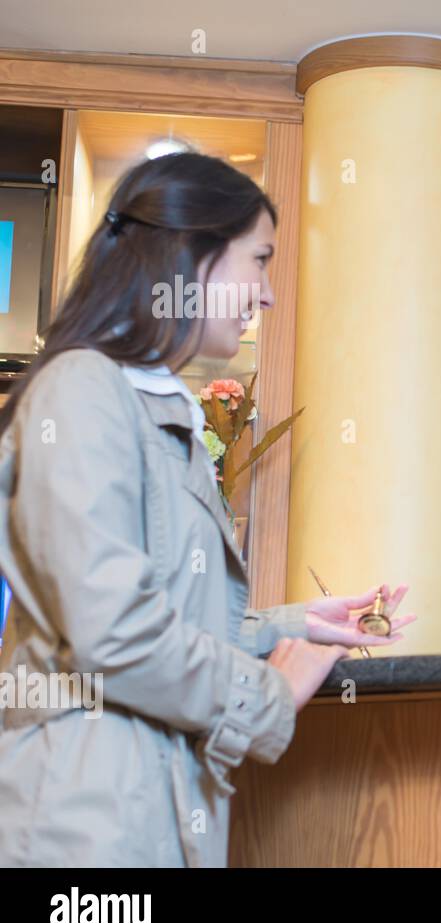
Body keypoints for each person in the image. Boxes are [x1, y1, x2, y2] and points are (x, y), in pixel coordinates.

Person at [0, 153, 415, 866]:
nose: (269, 293)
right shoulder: (80, 391)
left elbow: (159, 607)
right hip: (82, 833)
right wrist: (269, 693)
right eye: (259, 260)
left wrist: (297, 626)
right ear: (193, 256)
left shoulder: (157, 409)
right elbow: (115, 635)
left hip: (147, 818)